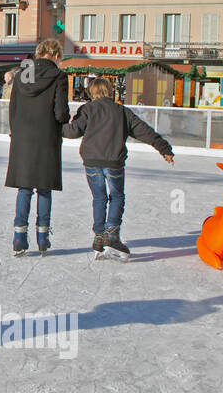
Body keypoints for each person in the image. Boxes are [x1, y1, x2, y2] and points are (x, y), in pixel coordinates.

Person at [61, 76, 175, 257]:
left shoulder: (87, 109)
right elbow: (144, 131)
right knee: (116, 196)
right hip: (114, 161)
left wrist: (52, 126)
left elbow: (73, 130)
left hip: (92, 161)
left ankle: (99, 236)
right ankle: (111, 234)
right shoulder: (122, 111)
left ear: (92, 92)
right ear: (109, 91)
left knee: (99, 198)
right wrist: (164, 148)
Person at [6, 39, 70, 255]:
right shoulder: (59, 77)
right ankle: (43, 238)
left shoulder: (23, 73)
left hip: (22, 137)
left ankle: (18, 237)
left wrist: (15, 131)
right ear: (56, 55)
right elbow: (60, 113)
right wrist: (66, 119)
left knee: (24, 188)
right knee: (43, 188)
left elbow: (13, 107)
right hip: (46, 137)